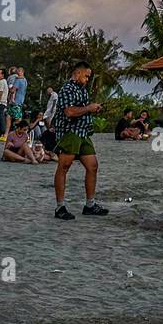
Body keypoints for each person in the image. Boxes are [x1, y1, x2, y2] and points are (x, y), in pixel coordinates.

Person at [51, 62, 109, 220]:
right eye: (86, 76)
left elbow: (82, 109)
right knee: (64, 166)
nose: (88, 79)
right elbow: (69, 111)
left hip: (83, 132)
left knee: (93, 166)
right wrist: (89, 108)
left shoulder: (82, 90)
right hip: (70, 132)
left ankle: (90, 204)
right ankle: (60, 207)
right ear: (77, 73)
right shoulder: (67, 89)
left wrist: (92, 109)